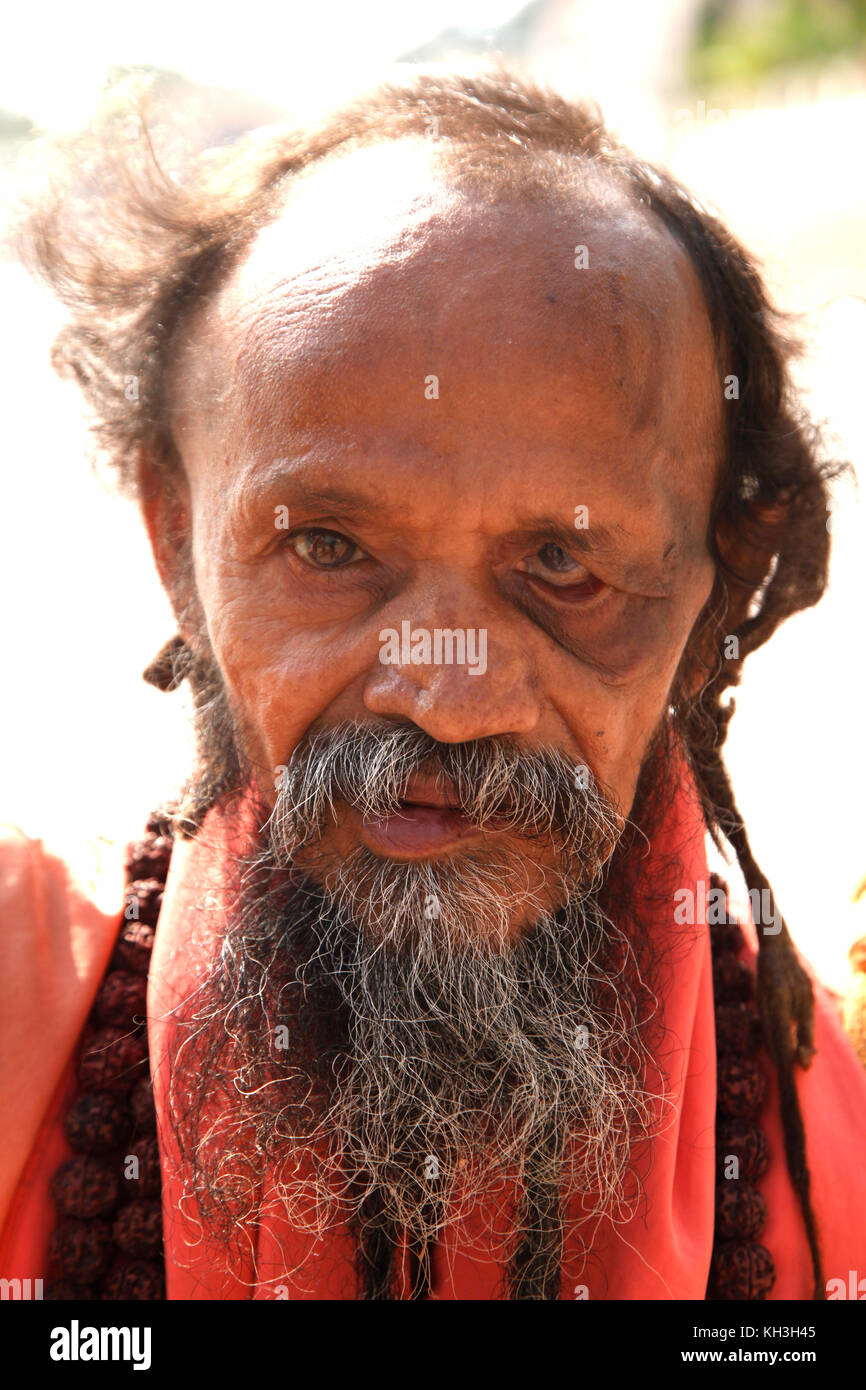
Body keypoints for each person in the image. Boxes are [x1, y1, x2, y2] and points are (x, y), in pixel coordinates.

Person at [2, 66, 864, 1301]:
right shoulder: (21, 999)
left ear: (715, 583)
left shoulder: (831, 1099)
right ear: (176, 543)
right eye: (329, 549)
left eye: (560, 564)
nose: (446, 697)